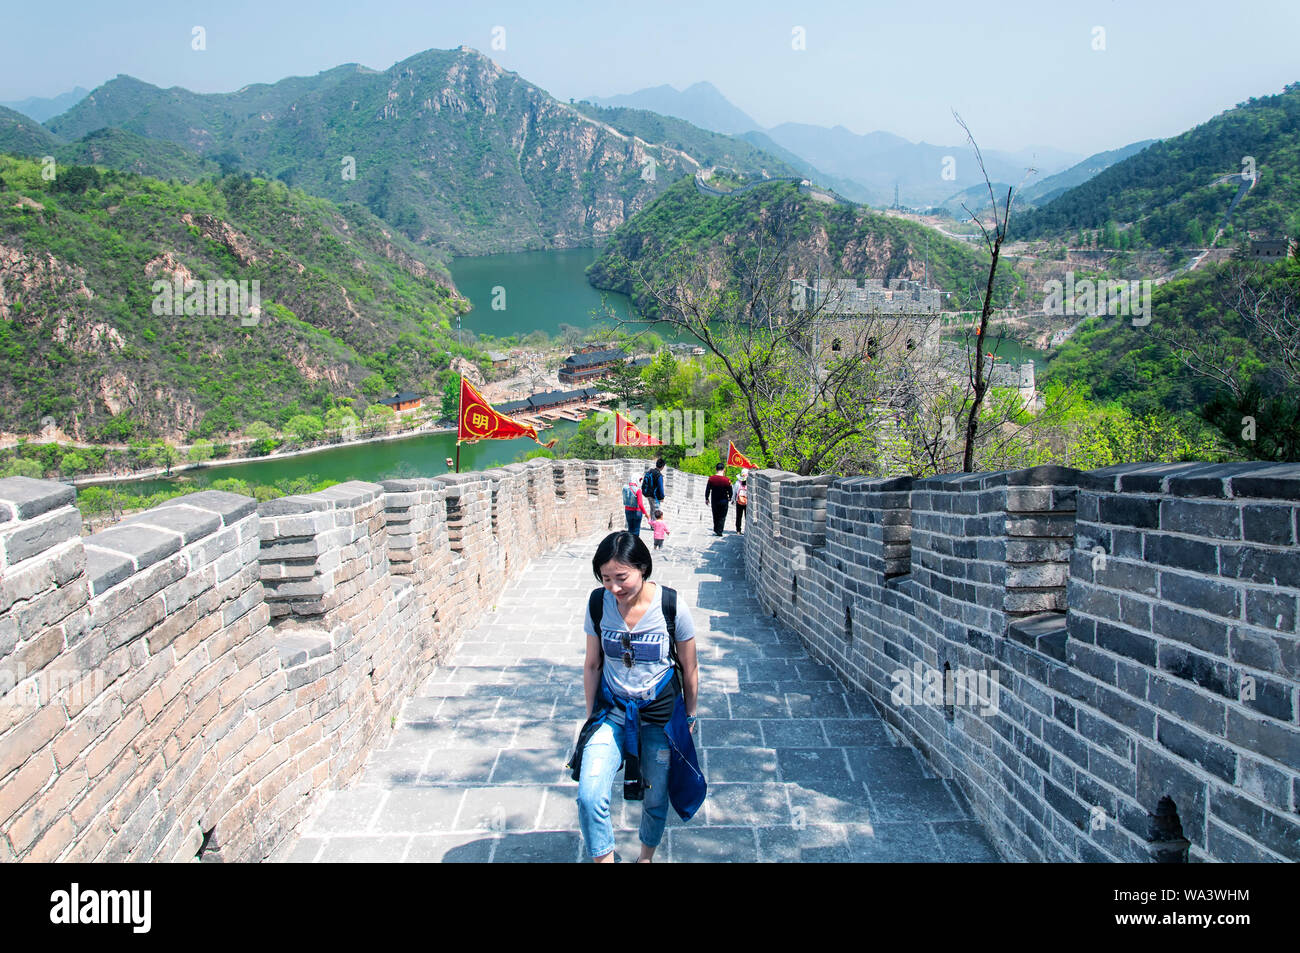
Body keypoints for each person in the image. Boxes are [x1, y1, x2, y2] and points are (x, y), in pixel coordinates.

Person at [573, 532, 704, 863]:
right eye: (605, 579)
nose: (614, 588)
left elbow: (689, 669)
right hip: (613, 711)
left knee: (655, 796)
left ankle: (646, 856)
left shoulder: (672, 607)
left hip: (659, 718)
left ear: (642, 569)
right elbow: (592, 664)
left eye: (621, 578)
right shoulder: (598, 605)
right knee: (590, 794)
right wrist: (591, 718)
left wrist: (689, 717)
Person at [704, 464, 732, 536]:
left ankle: (716, 529)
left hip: (715, 500)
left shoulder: (711, 479)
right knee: (722, 516)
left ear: (716, 469)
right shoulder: (727, 480)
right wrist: (730, 497)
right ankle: (720, 530)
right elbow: (730, 491)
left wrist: (707, 498)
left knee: (715, 515)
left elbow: (708, 490)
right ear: (723, 470)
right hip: (724, 500)